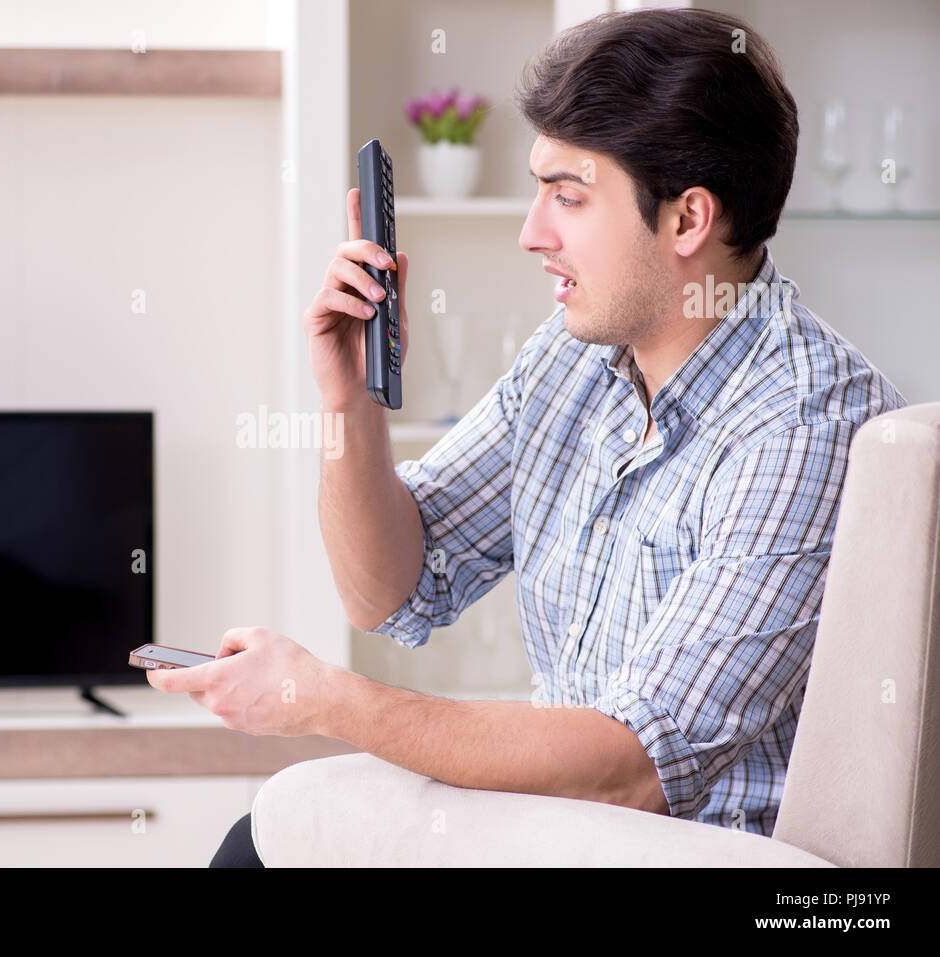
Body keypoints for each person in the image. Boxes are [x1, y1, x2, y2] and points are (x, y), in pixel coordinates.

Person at [152, 7, 909, 866]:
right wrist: (352, 404)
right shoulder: (576, 357)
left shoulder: (803, 422)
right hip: (572, 829)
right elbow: (391, 589)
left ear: (688, 220)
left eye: (569, 197)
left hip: (690, 851)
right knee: (263, 841)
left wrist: (323, 698)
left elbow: (629, 767)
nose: (531, 232)